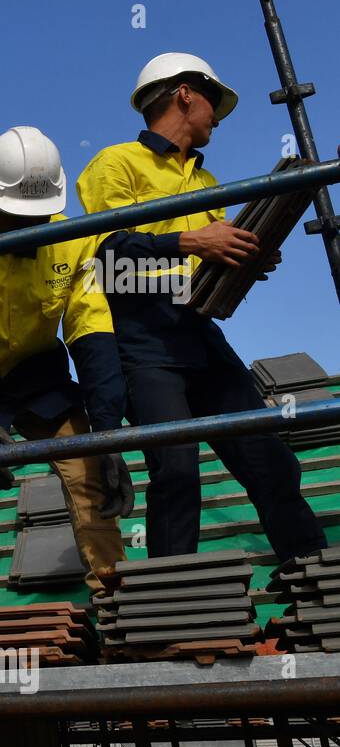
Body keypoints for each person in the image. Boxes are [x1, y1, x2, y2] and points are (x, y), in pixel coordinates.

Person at [76, 53, 326, 561]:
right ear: (185, 92)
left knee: (270, 460)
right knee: (176, 470)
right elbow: (105, 250)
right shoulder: (115, 163)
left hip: (200, 333)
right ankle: (175, 616)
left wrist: (244, 258)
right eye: (214, 101)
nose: (218, 116)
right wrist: (193, 242)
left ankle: (311, 586)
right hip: (143, 338)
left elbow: (203, 258)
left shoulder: (207, 184)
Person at [0, 125, 132, 607]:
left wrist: (110, 433)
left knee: (88, 478)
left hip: (41, 379)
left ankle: (116, 603)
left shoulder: (72, 241)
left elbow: (91, 337)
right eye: (17, 216)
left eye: (39, 217)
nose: (28, 228)